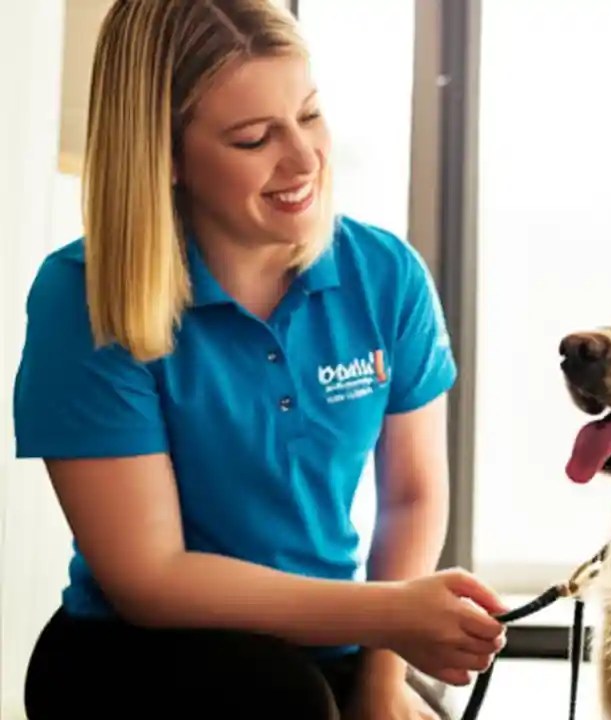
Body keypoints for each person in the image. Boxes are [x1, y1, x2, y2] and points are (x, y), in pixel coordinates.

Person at [11, 1, 507, 718]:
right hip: (133, 648)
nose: (304, 159)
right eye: (252, 138)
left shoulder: (386, 276)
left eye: (308, 115)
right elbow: (148, 577)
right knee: (289, 703)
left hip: (338, 641)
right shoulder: (85, 299)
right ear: (167, 155)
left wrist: (380, 680)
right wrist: (387, 615)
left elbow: (412, 494)